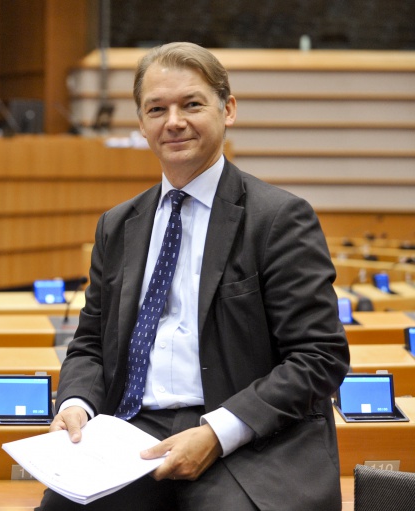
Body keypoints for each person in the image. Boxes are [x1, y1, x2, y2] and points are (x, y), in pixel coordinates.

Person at [37, 42, 350, 510]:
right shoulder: (118, 225)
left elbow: (319, 356)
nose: (174, 121)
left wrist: (216, 432)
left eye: (192, 104)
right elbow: (89, 343)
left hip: (248, 438)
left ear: (228, 109)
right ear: (141, 125)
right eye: (157, 109)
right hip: (131, 433)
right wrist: (76, 404)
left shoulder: (279, 218)